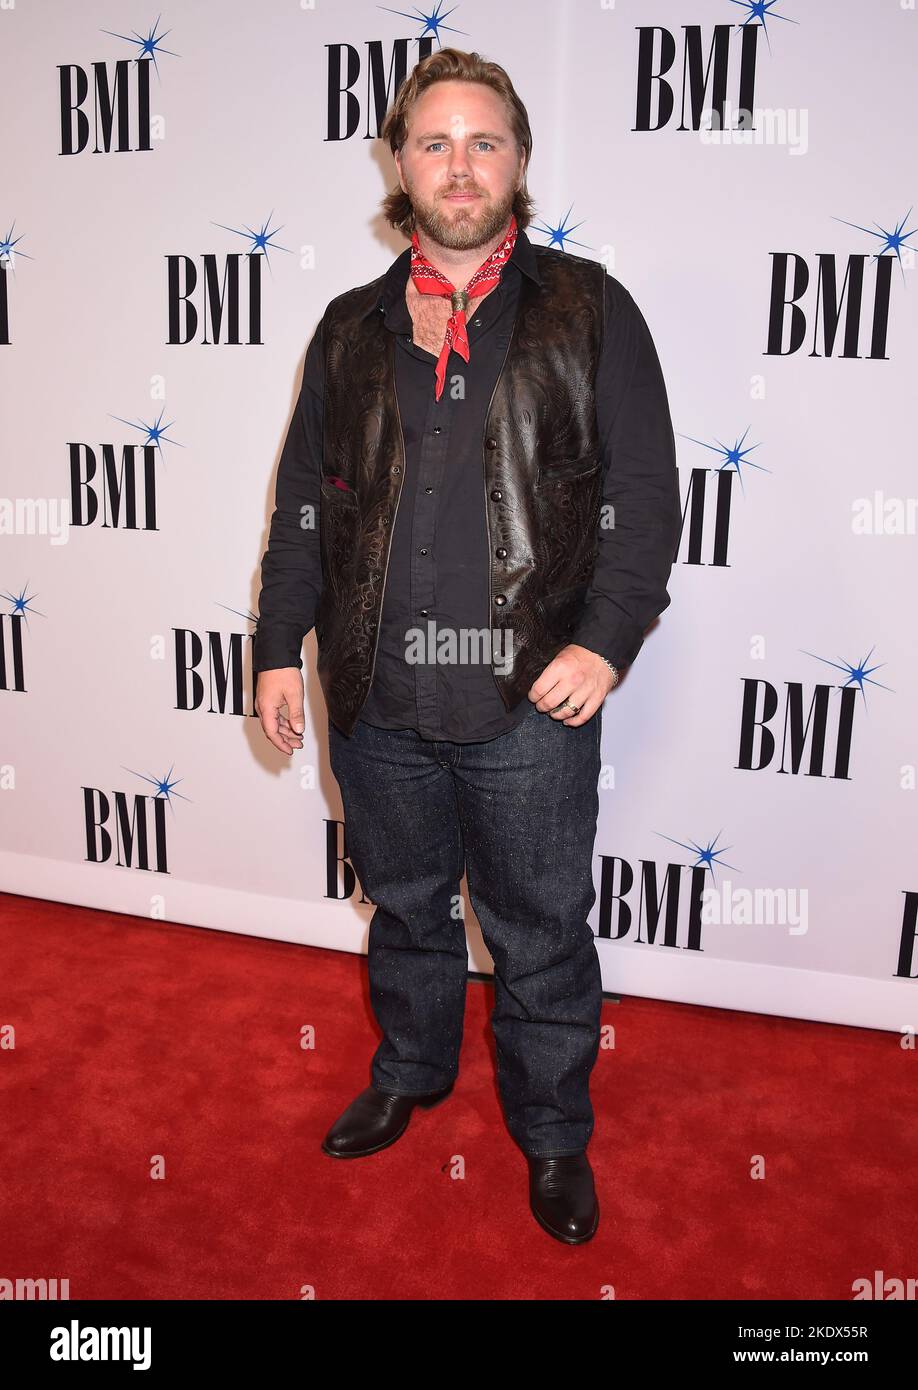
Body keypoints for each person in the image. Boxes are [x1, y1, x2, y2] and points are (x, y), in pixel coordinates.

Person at [253, 47, 681, 1245]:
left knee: (540, 932)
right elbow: (304, 506)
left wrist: (603, 645)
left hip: (527, 710)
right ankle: (412, 1071)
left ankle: (551, 1137)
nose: (458, 164)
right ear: (400, 162)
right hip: (379, 698)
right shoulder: (349, 330)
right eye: (433, 141)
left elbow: (645, 499)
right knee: (404, 910)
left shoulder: (588, 309)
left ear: (520, 161)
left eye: (482, 140)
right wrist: (279, 644)